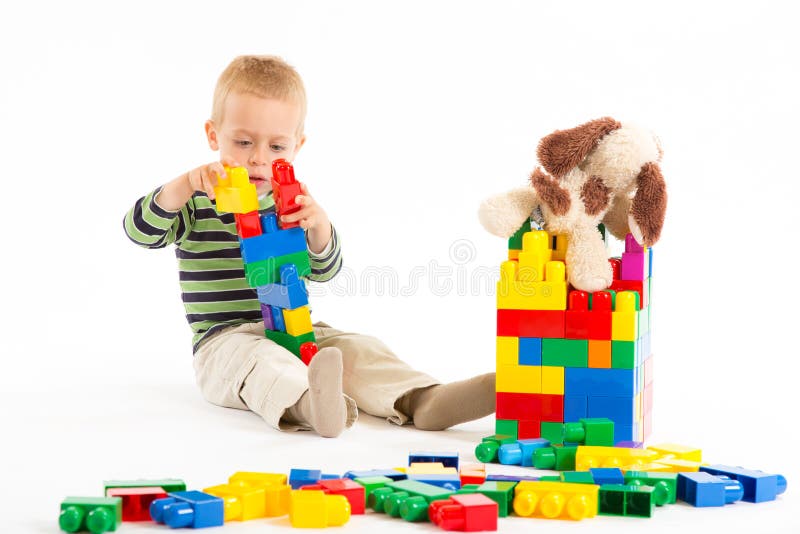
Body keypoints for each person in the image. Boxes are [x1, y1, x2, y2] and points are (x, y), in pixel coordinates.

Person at [123, 55, 495, 437]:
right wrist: (182, 185)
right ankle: (308, 405)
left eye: (276, 147)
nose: (258, 158)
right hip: (224, 341)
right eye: (244, 141)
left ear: (297, 145)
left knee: (356, 348)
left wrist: (318, 227)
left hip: (296, 329)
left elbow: (324, 269)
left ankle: (421, 398)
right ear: (214, 135)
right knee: (260, 361)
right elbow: (140, 231)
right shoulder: (197, 201)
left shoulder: (293, 205)